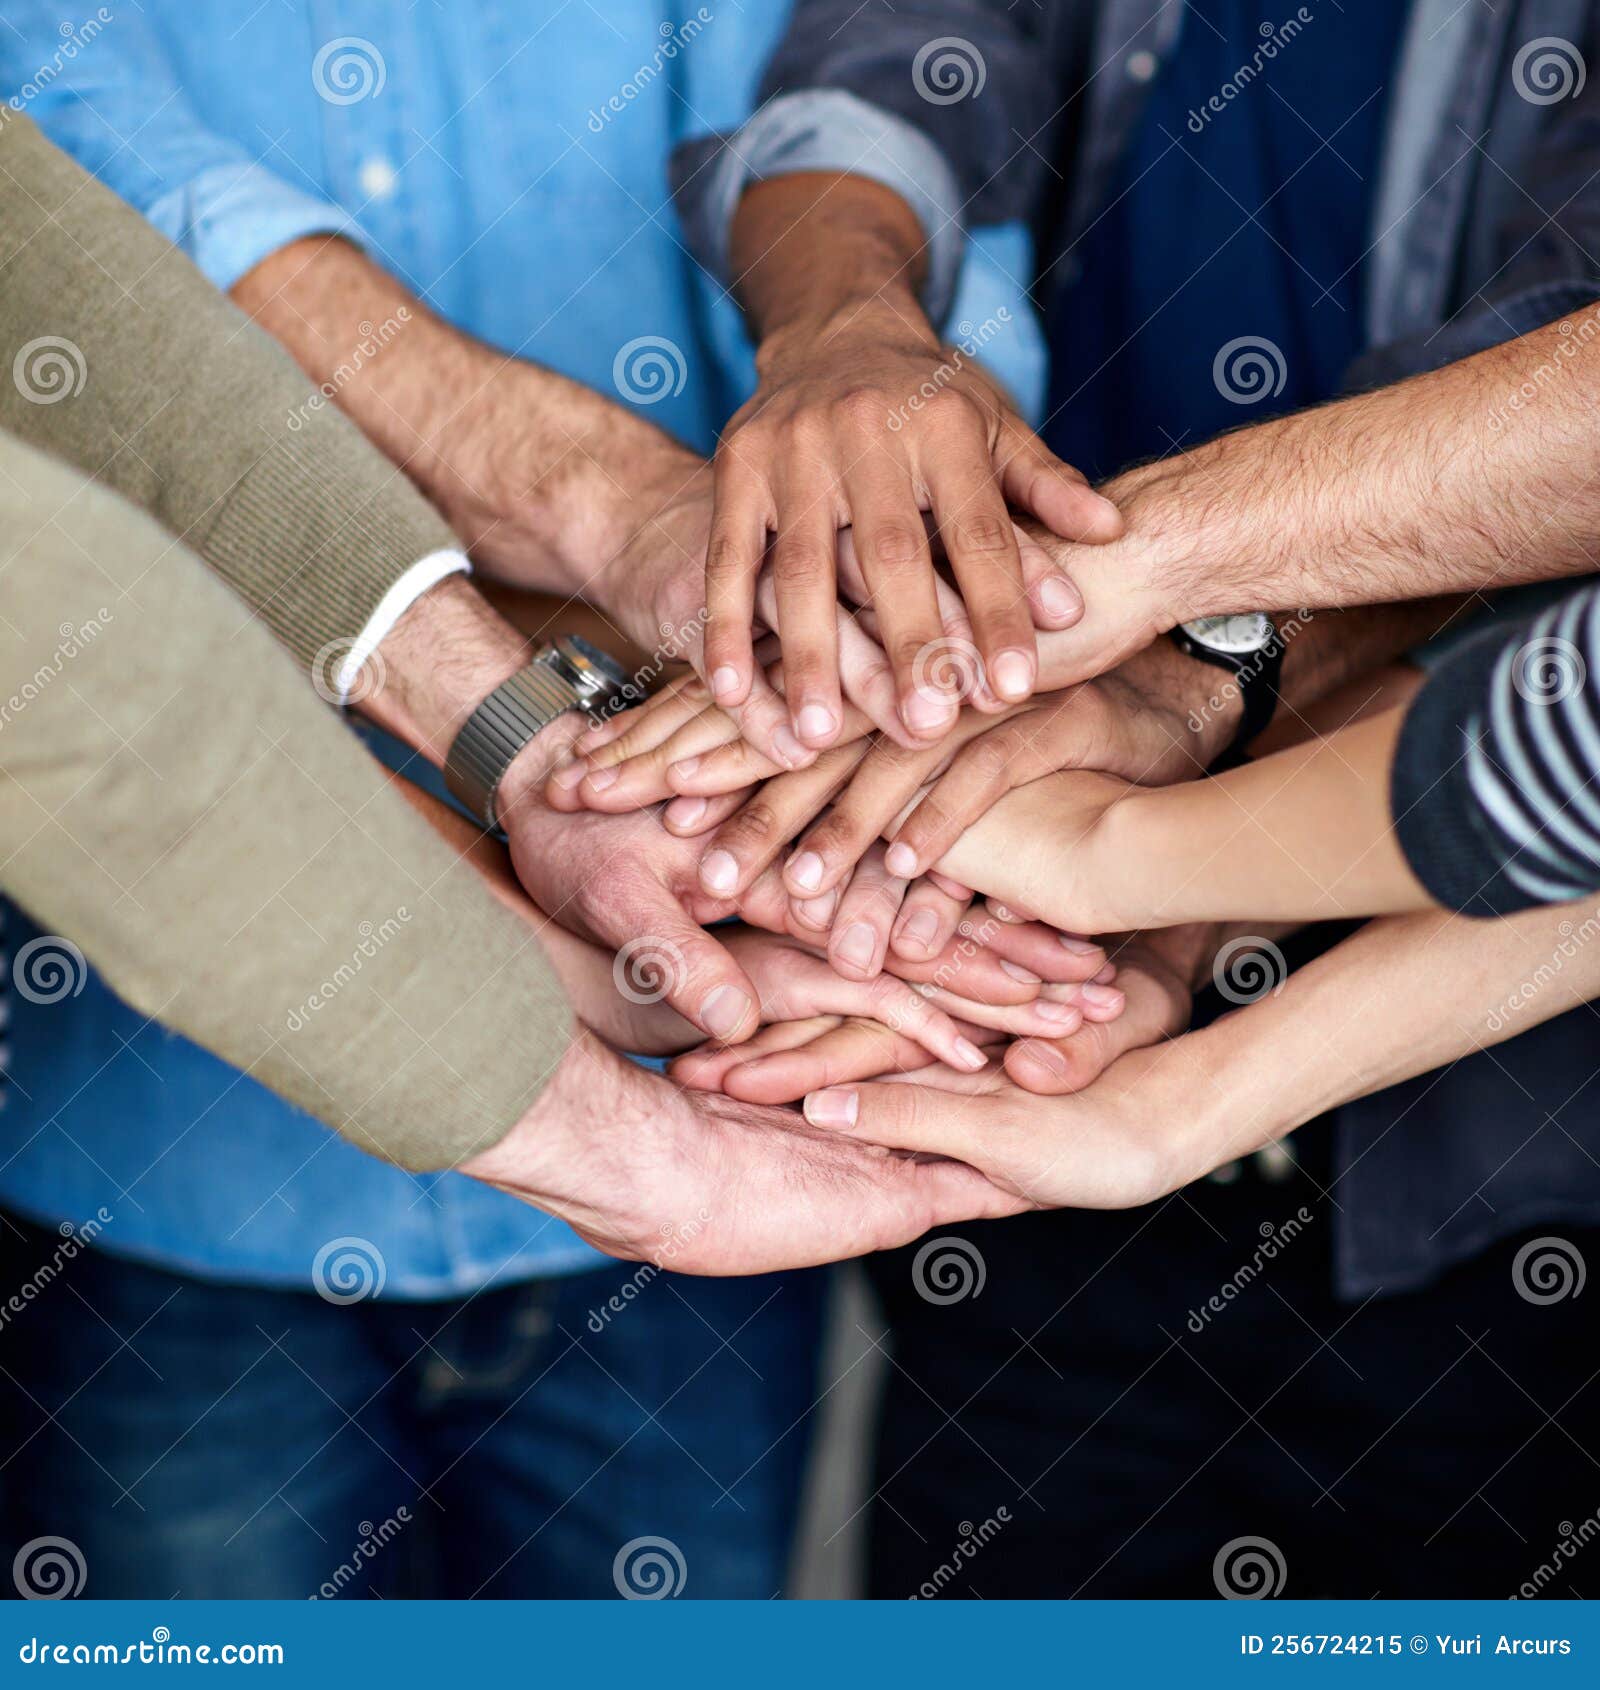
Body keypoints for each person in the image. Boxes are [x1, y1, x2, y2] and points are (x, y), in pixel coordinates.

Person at [0, 89, 1049, 1598]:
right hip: (168, 1186)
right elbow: (91, 668)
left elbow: (49, 280)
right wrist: (622, 1145)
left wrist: (536, 755)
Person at [642, 0, 1600, 1596]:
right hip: (1039, 1110)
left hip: (1503, 1198)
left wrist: (1158, 704)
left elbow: (1545, 435)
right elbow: (893, 63)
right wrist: (844, 331)